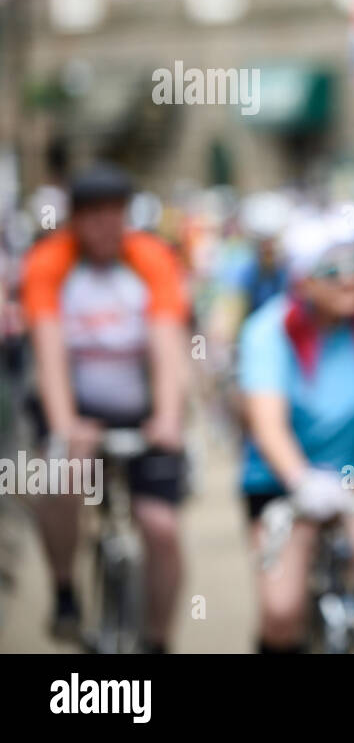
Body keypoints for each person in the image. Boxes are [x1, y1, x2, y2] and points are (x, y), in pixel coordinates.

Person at [20, 164, 190, 652]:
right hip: (77, 405)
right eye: (92, 216)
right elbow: (49, 352)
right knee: (62, 473)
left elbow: (166, 345)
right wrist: (64, 424)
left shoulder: (151, 258)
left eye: (114, 214)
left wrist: (168, 418)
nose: (105, 226)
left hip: (143, 410)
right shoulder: (50, 263)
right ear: (75, 219)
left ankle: (158, 638)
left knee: (161, 528)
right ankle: (64, 588)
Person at [237, 206, 354, 653]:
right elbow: (267, 425)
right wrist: (300, 480)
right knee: (281, 610)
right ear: (304, 280)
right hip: (281, 481)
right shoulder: (266, 331)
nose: (349, 278)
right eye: (332, 269)